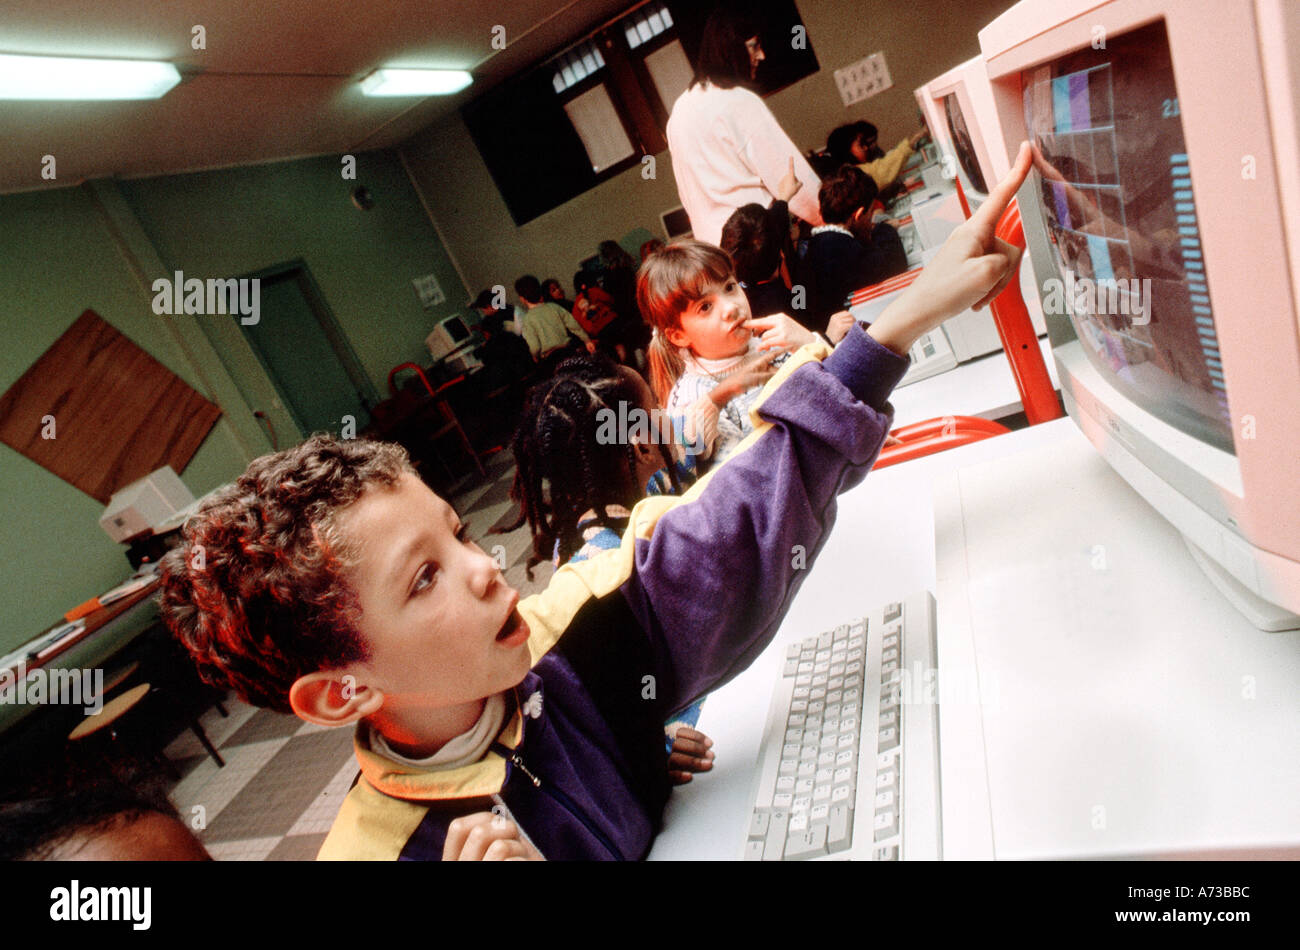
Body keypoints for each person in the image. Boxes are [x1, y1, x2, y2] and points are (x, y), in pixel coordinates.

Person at [157, 144, 1033, 860]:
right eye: (423, 579)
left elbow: (737, 527)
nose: (485, 570)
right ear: (340, 693)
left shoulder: (557, 639)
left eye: (458, 537)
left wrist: (899, 324)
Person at [510, 352, 713, 780]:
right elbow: (604, 693)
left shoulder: (584, 524)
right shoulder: (615, 564)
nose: (668, 418)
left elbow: (687, 448)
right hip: (693, 739)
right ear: (641, 445)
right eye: (658, 409)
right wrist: (655, 743)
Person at [641, 240, 854, 471]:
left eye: (730, 287)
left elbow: (842, 394)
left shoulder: (773, 345)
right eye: (705, 307)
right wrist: (719, 396)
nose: (731, 307)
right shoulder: (691, 394)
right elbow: (689, 446)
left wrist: (811, 343)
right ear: (679, 335)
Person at [666, 6, 822, 246]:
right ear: (732, 49)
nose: (762, 56)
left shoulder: (679, 110)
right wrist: (833, 220)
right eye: (754, 46)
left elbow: (687, 198)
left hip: (717, 254)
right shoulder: (738, 100)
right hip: (758, 245)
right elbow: (791, 176)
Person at [800, 164, 909, 333]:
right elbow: (894, 263)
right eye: (870, 213)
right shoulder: (840, 250)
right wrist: (884, 228)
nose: (871, 221)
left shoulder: (821, 242)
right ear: (858, 215)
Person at [827, 120, 929, 193]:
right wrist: (917, 137)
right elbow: (883, 170)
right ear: (846, 151)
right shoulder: (855, 176)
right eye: (861, 145)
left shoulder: (852, 171)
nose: (866, 148)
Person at [514, 274, 595, 363]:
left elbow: (535, 347)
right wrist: (587, 341)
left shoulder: (527, 319)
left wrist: (535, 355)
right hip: (569, 350)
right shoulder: (554, 307)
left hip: (552, 358)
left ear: (522, 298)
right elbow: (574, 326)